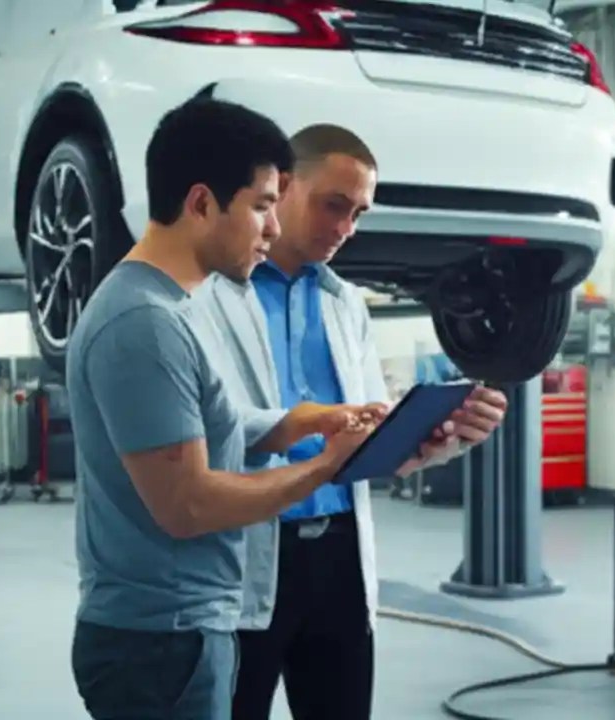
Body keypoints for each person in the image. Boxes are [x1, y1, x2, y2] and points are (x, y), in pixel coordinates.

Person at [65, 99, 379, 720]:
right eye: (262, 205)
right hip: (160, 643)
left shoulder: (171, 308)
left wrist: (300, 421)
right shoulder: (145, 323)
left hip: (184, 631)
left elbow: (209, 425)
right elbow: (189, 505)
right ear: (202, 203)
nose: (273, 228)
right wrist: (325, 466)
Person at [189, 124, 509, 720]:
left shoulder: (347, 304)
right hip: (248, 550)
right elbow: (208, 433)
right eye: (333, 205)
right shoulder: (208, 298)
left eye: (358, 213)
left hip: (339, 558)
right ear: (282, 188)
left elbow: (368, 441)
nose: (346, 228)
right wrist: (309, 429)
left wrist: (441, 438)